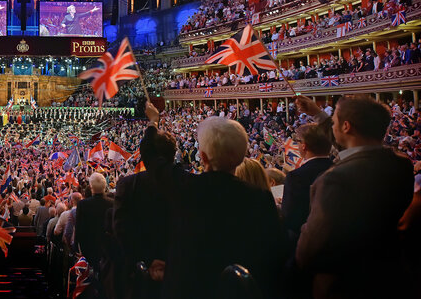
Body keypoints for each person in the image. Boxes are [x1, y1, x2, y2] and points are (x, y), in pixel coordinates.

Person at [296, 96, 414, 299]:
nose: (332, 126)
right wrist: (318, 114)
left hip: (344, 285)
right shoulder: (401, 165)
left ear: (346, 127)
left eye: (334, 122)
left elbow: (309, 250)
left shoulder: (334, 180)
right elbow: (358, 151)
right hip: (389, 277)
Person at [161, 117, 287, 298]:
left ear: (203, 157)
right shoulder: (260, 197)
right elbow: (275, 254)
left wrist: (153, 122)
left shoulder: (186, 190)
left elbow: (156, 163)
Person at [113, 102, 181, 299]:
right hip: (177, 270)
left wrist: (146, 261)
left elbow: (122, 230)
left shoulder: (128, 185)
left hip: (137, 273)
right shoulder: (185, 183)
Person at [281, 122, 333, 247]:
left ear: (304, 146)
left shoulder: (296, 177)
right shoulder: (341, 169)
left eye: (297, 141)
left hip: (306, 243)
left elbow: (291, 219)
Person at [74, 173, 112, 271]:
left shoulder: (83, 204)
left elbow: (79, 228)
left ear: (91, 187)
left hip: (89, 249)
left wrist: (77, 247)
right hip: (108, 250)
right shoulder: (112, 203)